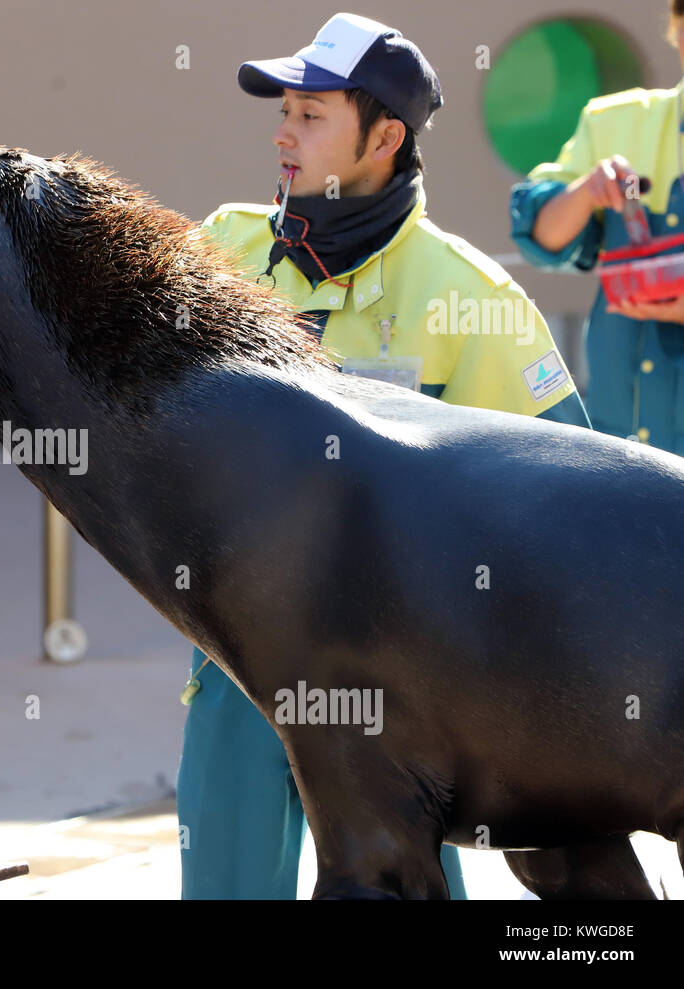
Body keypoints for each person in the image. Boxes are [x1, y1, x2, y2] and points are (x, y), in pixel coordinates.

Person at [176, 11, 591, 900]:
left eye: (311, 114)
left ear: (385, 137)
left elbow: (575, 502)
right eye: (283, 111)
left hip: (403, 688)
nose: (283, 132)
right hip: (241, 659)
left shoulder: (470, 299)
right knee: (223, 881)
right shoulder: (225, 252)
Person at [510, 0, 684, 453]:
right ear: (676, 26)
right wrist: (587, 192)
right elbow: (543, 240)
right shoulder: (614, 122)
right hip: (622, 439)